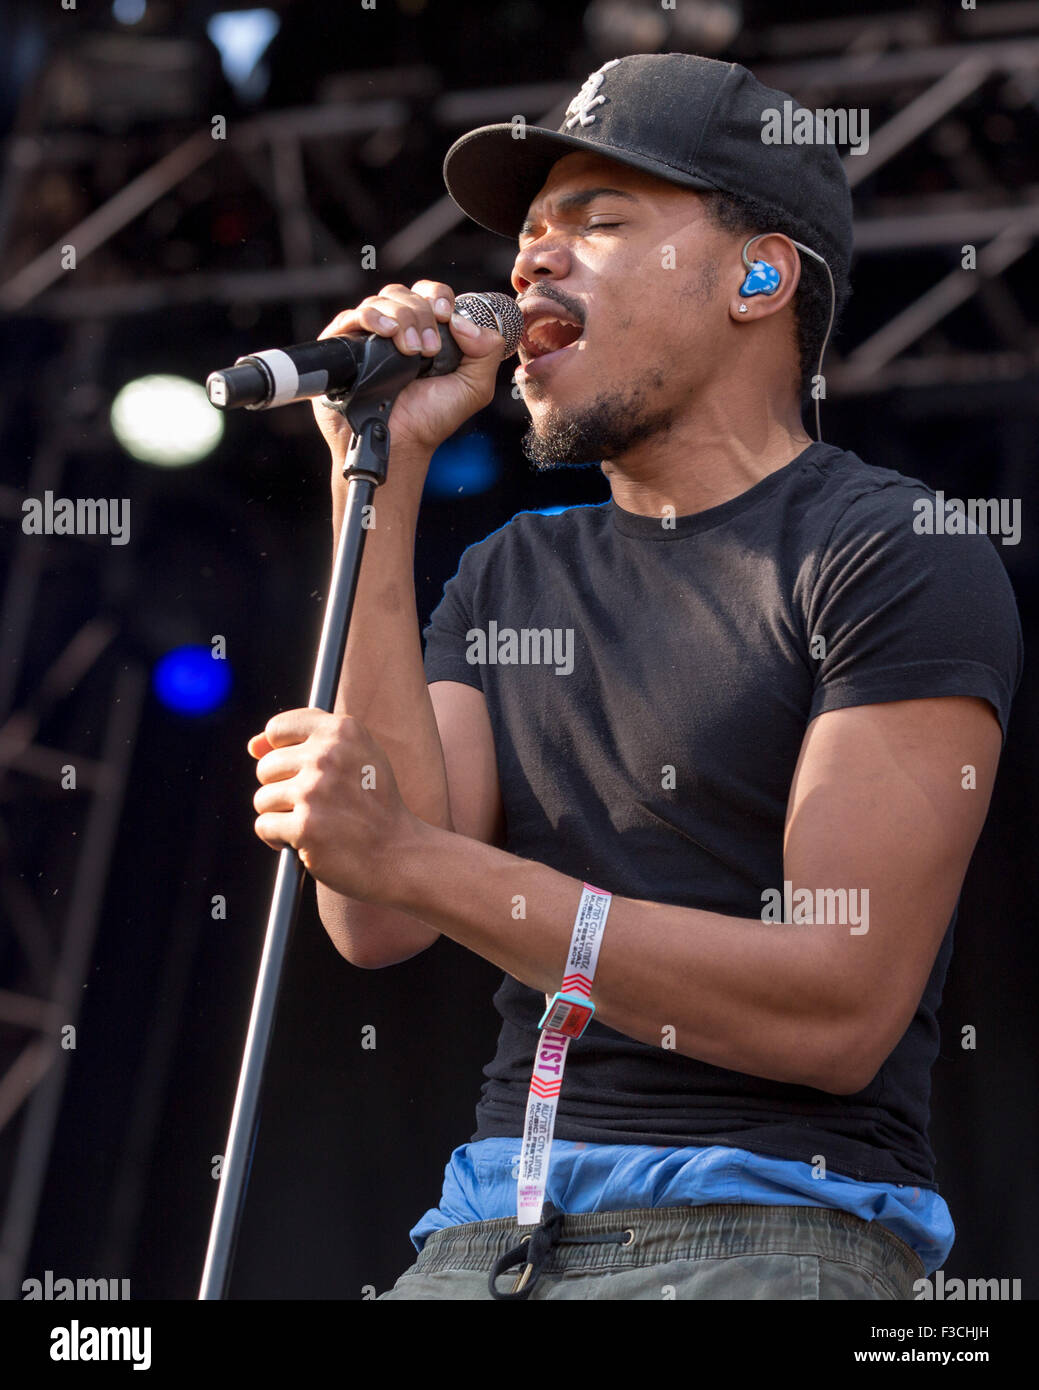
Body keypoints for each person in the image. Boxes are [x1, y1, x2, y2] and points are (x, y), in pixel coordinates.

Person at [247, 53, 1023, 1300]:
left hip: (765, 1225)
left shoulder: (885, 549)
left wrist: (413, 858)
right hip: (480, 1234)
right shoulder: (506, 577)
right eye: (528, 236)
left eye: (599, 223)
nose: (530, 264)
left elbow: (836, 1008)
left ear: (758, 276)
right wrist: (369, 481)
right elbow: (374, 914)